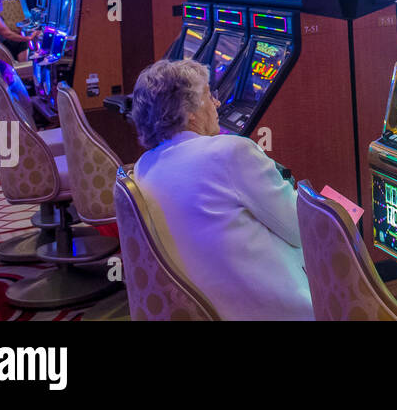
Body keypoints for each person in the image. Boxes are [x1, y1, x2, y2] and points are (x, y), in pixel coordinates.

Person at [130, 59, 314, 320]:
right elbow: (299, 229)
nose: (217, 104)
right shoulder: (230, 152)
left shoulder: (143, 166)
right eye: (208, 96)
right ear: (189, 112)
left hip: (202, 306)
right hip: (267, 308)